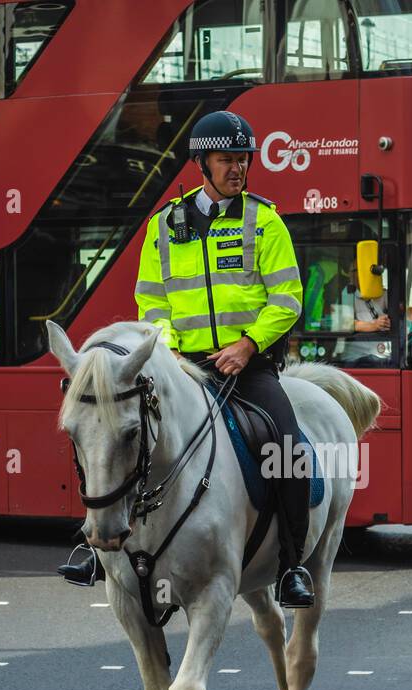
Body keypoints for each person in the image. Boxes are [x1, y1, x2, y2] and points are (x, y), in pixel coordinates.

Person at [133, 110, 313, 608]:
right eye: (226, 159)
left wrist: (248, 344)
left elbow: (287, 299)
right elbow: (152, 301)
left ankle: (293, 565)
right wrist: (167, 348)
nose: (237, 168)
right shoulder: (163, 226)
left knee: (289, 448)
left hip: (248, 366)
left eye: (242, 159)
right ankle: (99, 546)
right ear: (201, 165)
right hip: (184, 367)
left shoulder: (265, 220)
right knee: (120, 431)